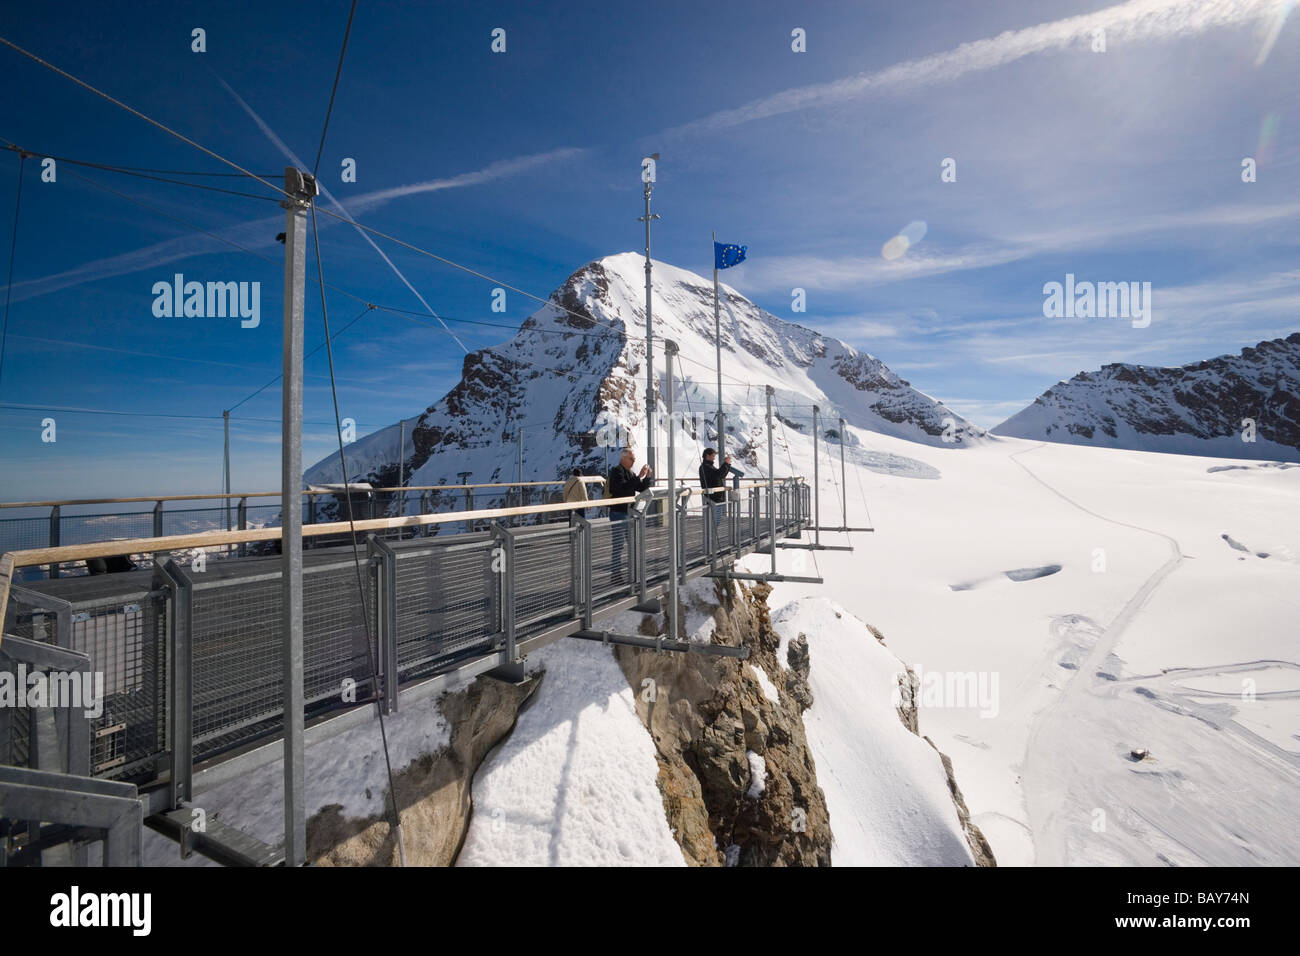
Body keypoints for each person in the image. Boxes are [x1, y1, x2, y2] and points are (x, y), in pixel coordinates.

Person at [606, 448, 652, 581]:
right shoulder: (616, 472)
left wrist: (647, 477)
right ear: (623, 458)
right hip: (618, 512)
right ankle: (616, 575)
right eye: (631, 459)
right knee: (618, 545)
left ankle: (633, 574)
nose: (633, 461)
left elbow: (641, 488)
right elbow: (622, 488)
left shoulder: (629, 473)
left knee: (632, 543)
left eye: (634, 459)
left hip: (628, 513)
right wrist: (639, 477)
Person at [699, 447, 732, 538]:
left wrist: (727, 465)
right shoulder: (706, 467)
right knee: (713, 523)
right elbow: (718, 475)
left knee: (715, 522)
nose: (714, 458)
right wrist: (726, 464)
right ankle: (710, 541)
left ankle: (711, 541)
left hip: (716, 498)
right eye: (713, 456)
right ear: (707, 456)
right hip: (713, 499)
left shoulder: (708, 466)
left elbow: (721, 475)